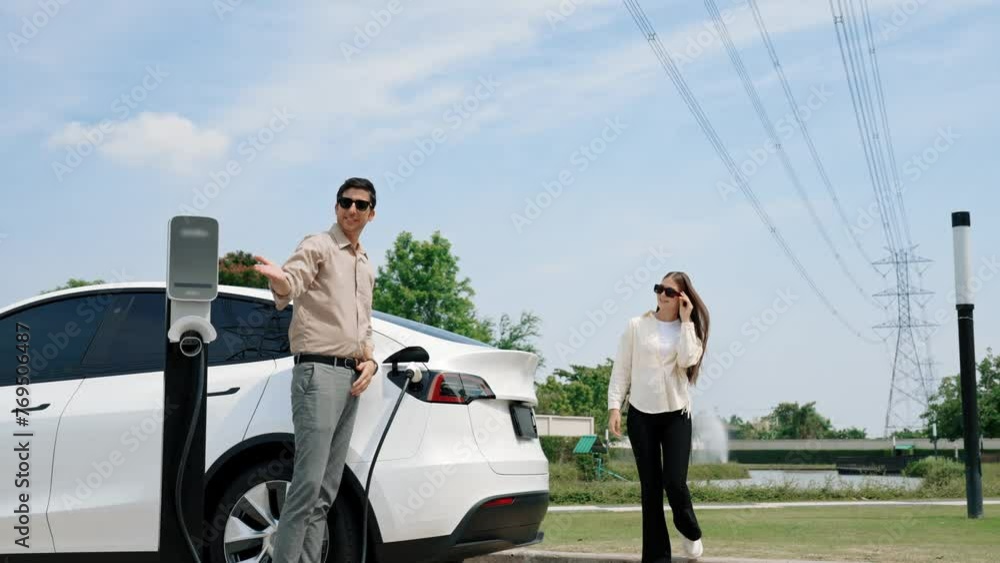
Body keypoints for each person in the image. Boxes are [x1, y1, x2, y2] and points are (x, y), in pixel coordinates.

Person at [252, 177, 380, 563]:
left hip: (351, 379)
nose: (351, 210)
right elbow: (294, 279)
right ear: (336, 205)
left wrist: (371, 360)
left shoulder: (364, 263)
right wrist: (281, 282)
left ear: (372, 213)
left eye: (360, 205)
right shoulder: (318, 245)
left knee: (326, 491)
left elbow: (364, 324)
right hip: (318, 375)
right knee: (306, 486)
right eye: (345, 202)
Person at [607, 271, 710, 563]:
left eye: (669, 292)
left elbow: (688, 360)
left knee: (675, 483)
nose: (662, 295)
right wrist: (615, 406)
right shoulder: (636, 326)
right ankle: (656, 558)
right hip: (641, 415)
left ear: (682, 299)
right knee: (650, 489)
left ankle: (690, 531)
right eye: (659, 289)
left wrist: (688, 321)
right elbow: (621, 369)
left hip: (677, 414)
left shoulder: (689, 331)